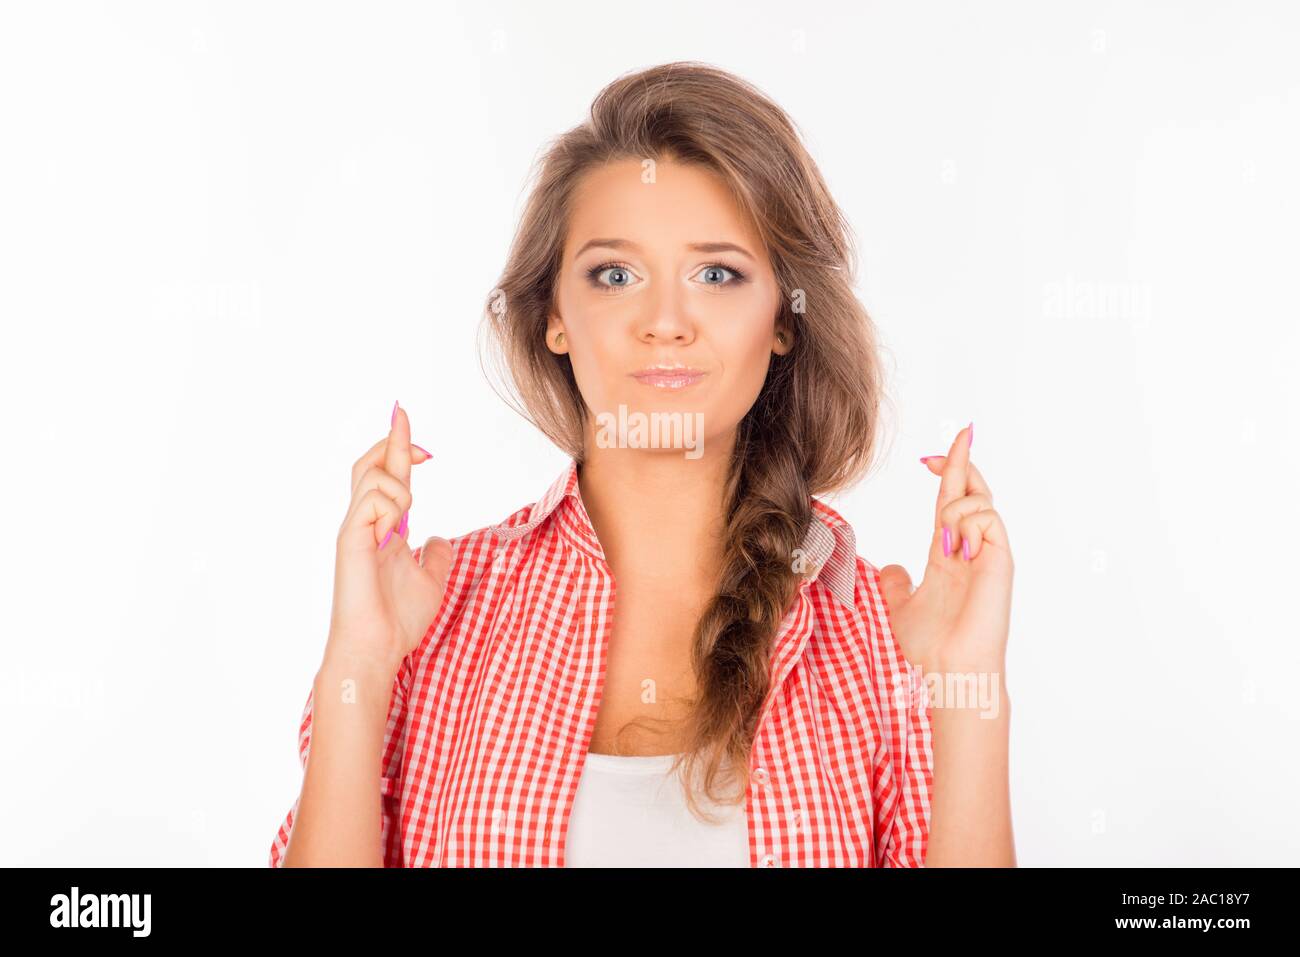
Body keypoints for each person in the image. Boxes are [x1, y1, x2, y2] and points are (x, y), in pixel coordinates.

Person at [271, 61, 1015, 868]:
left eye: (718, 274)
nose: (665, 321)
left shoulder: (878, 630)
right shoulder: (432, 610)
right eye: (615, 274)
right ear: (554, 315)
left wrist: (967, 685)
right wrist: (359, 660)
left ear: (783, 321)